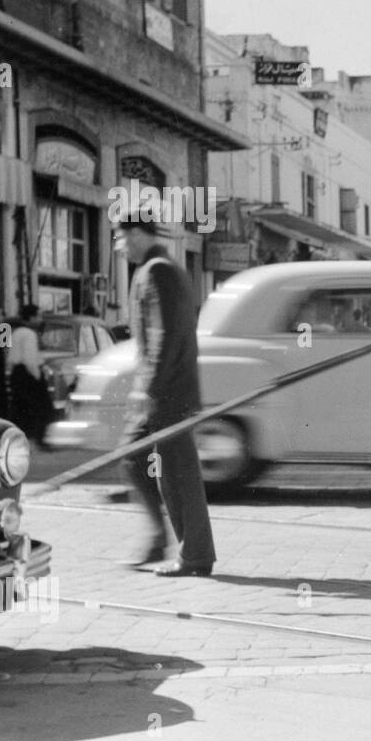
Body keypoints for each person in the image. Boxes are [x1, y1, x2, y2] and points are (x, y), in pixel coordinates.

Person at [113, 213, 217, 577]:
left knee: (176, 473)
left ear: (138, 233)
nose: (118, 245)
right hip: (166, 391)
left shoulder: (158, 270)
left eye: (122, 236)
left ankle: (192, 554)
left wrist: (149, 389)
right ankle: (169, 543)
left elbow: (164, 336)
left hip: (168, 393)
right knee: (152, 465)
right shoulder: (159, 268)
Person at [7, 304, 53, 445]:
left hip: (17, 373)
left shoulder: (16, 332)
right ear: (31, 317)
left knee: (21, 408)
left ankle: (19, 439)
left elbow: (11, 356)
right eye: (38, 316)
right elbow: (29, 359)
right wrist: (38, 376)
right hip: (28, 374)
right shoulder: (29, 334)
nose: (40, 319)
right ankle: (42, 439)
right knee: (43, 407)